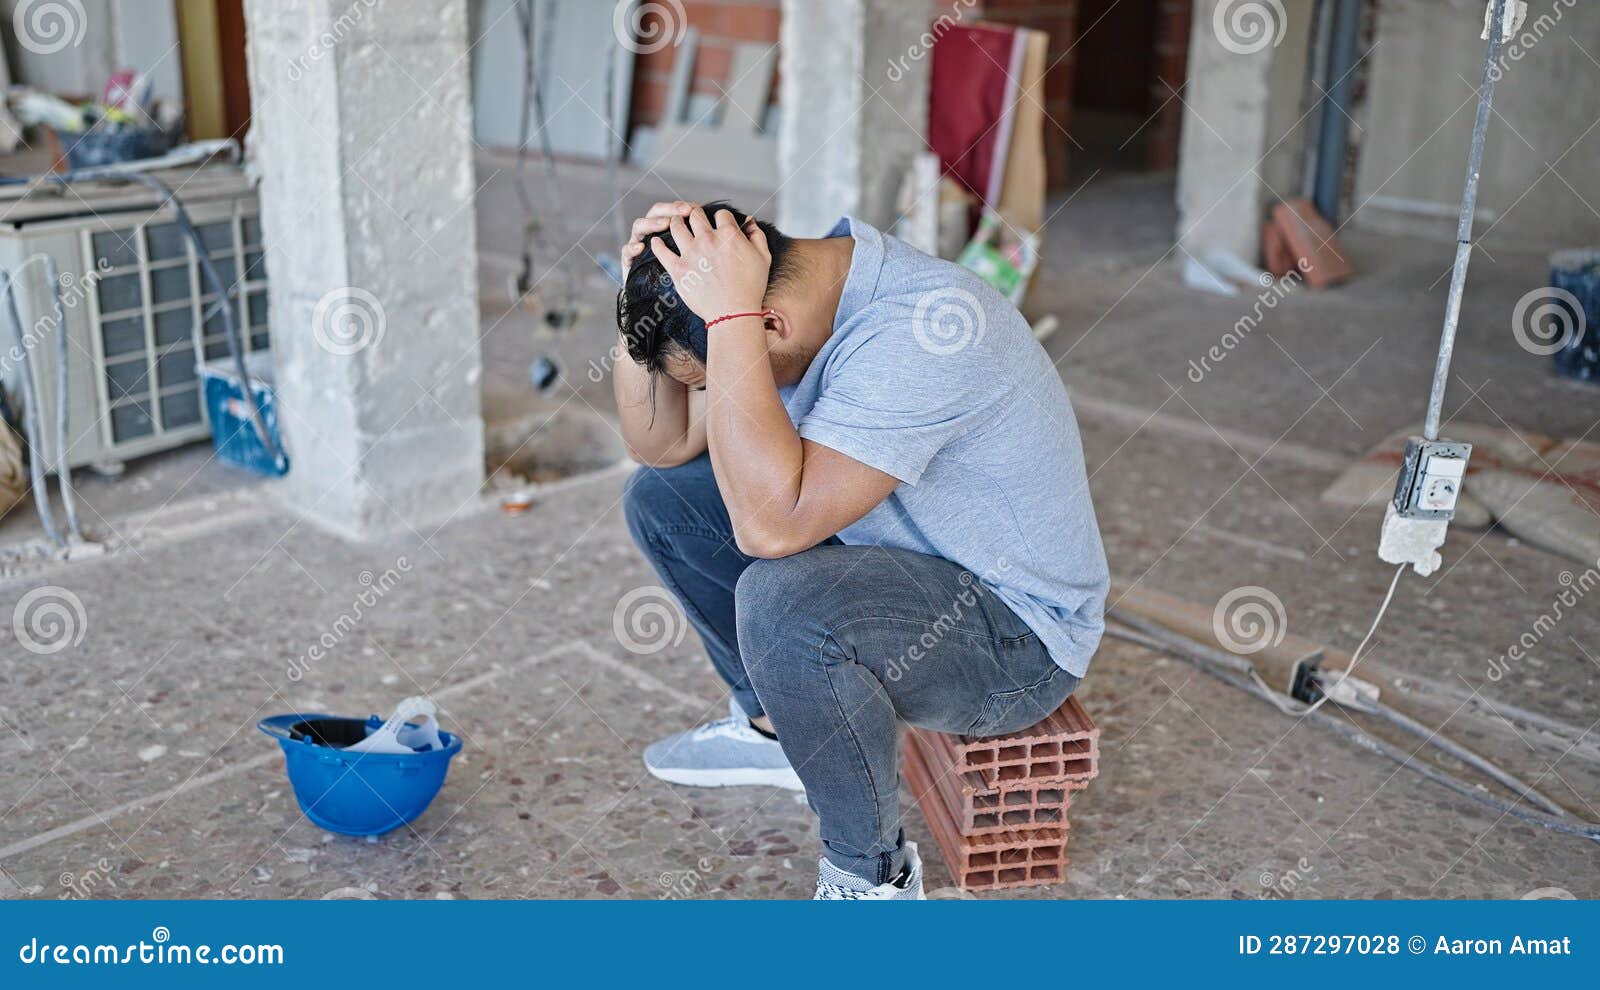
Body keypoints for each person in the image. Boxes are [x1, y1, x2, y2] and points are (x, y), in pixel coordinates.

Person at [612, 199, 1107, 899]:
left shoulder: (923, 331)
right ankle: (775, 730)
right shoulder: (806, 294)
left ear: (766, 324)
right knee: (665, 502)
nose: (704, 397)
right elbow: (658, 445)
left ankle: (870, 877)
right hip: (906, 564)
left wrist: (727, 328)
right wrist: (639, 287)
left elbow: (769, 531)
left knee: (783, 604)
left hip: (1014, 641)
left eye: (709, 377)